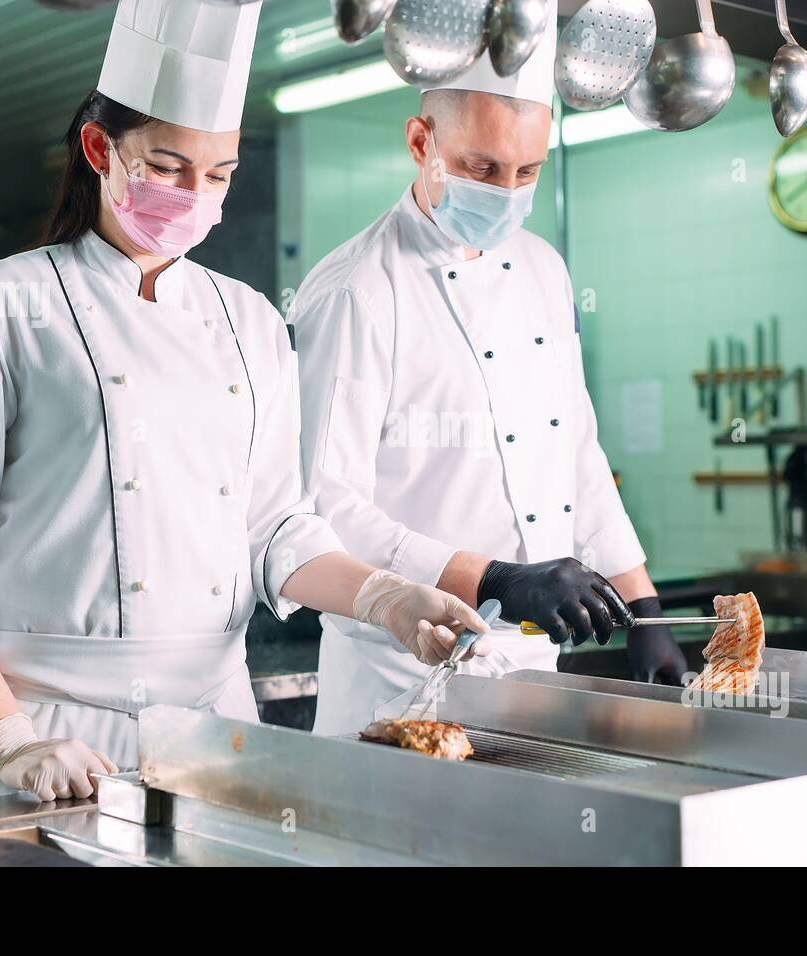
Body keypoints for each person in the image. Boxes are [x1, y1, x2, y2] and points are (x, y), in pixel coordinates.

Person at [0, 0, 487, 805]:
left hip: (215, 729)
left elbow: (275, 529)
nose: (195, 194)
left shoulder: (251, 320)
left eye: (220, 175)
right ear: (100, 148)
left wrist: (386, 597)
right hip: (51, 736)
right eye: (166, 168)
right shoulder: (1, 304)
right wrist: (8, 740)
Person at [289, 0, 687, 736]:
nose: (506, 192)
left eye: (527, 170)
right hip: (401, 676)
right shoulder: (358, 289)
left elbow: (576, 451)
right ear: (420, 140)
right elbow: (324, 506)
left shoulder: (543, 268)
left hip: (533, 675)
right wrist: (495, 578)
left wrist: (645, 607)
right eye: (482, 167)